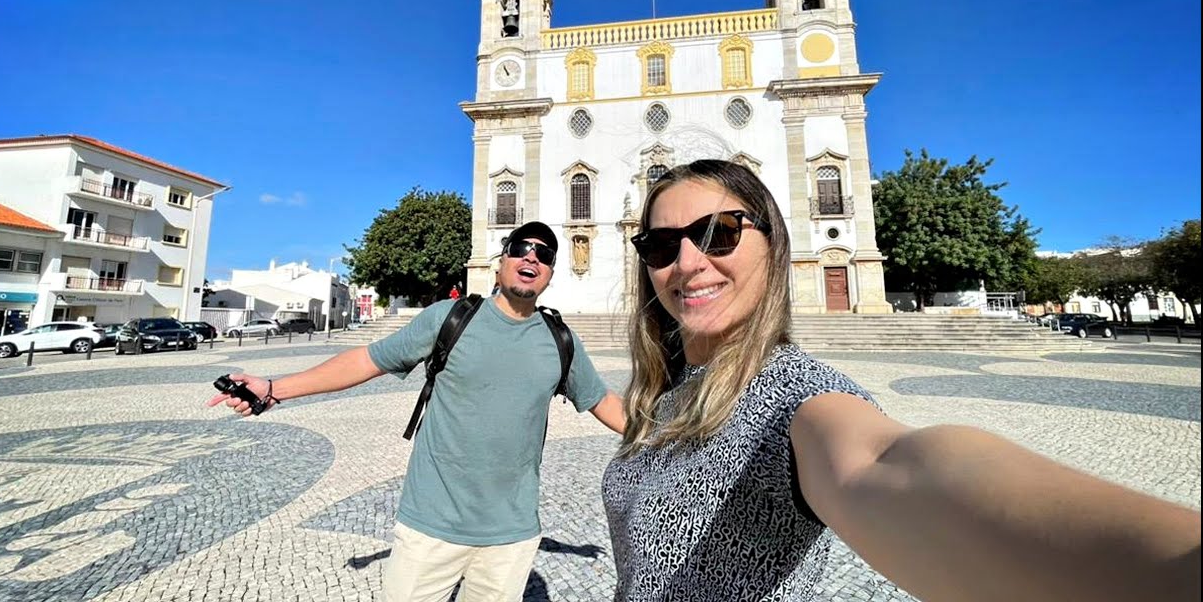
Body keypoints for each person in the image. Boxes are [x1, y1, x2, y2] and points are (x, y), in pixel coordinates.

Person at [602, 159, 1200, 602]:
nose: (686, 262)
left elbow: (885, 463)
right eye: (659, 245)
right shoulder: (673, 389)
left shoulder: (794, 397)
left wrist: (1170, 566)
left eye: (718, 233)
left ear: (774, 244)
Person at [210, 221, 625, 602]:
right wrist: (273, 389)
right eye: (521, 248)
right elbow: (366, 360)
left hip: (510, 538)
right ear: (502, 262)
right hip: (430, 527)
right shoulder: (451, 318)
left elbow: (604, 401)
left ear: (551, 272)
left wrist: (674, 436)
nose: (531, 257)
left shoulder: (559, 341)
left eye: (545, 253)